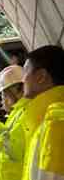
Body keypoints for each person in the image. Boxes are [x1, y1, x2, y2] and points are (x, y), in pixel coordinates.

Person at [20, 45, 64, 180]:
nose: (22, 80)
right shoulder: (45, 121)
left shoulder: (56, 124)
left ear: (41, 77)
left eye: (25, 72)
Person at [0, 65, 31, 180]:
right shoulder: (17, 112)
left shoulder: (26, 112)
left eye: (3, 94)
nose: (2, 100)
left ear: (15, 91)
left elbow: (13, 149)